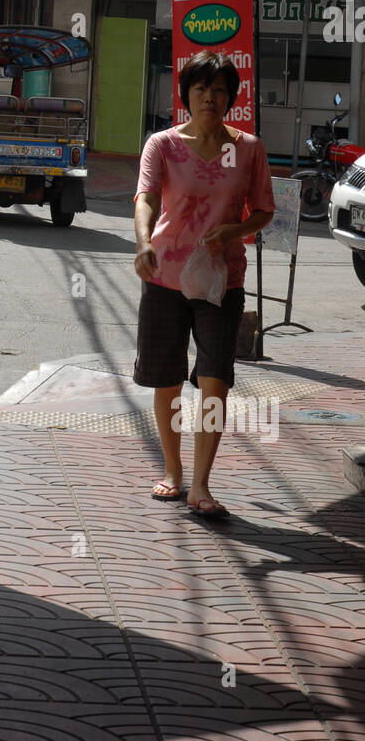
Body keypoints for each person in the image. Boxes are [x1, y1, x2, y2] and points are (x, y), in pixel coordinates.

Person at [132, 50, 275, 518]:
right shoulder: (163, 145)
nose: (210, 98)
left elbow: (263, 210)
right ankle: (172, 471)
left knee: (215, 382)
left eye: (219, 90)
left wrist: (233, 231)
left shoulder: (248, 148)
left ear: (231, 97)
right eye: (201, 89)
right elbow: (146, 199)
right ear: (186, 96)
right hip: (165, 277)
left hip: (222, 283)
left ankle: (201, 484)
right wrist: (143, 243)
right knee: (167, 379)